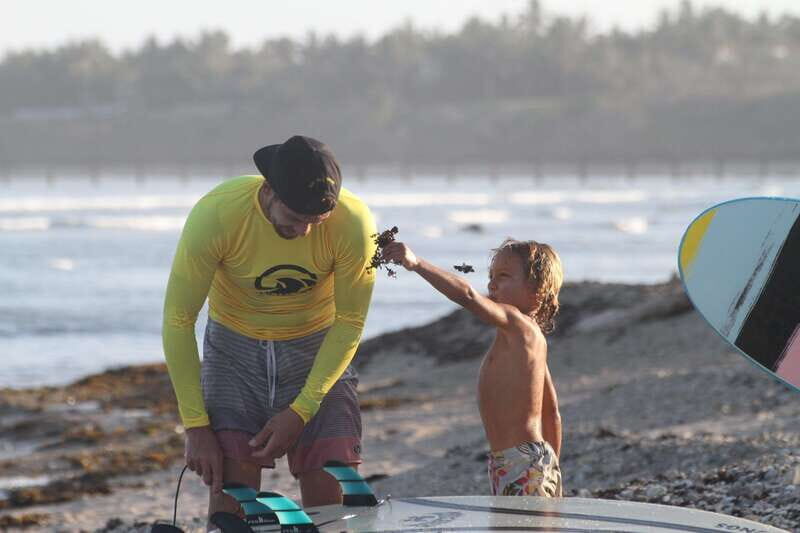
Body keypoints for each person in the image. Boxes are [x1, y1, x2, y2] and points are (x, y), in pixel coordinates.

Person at [162, 135, 377, 526]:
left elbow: (350, 322)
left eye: (317, 222)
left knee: (330, 501)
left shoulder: (355, 224)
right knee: (234, 506)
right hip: (234, 352)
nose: (305, 233)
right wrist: (195, 426)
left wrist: (301, 411)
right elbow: (178, 319)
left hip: (318, 347)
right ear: (268, 190)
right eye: (295, 219)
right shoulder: (217, 214)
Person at [382, 238, 563, 497]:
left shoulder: (516, 324)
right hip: (522, 460)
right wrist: (554, 468)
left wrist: (417, 264)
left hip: (520, 459)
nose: (491, 283)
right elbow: (551, 413)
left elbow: (467, 295)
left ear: (537, 290)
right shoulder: (530, 339)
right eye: (491, 275)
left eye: (503, 276)